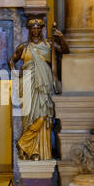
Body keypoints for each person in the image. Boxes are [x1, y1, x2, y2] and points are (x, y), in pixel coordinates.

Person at [9, 17, 68, 161]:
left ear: (41, 29)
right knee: (29, 116)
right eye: (33, 28)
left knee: (43, 115)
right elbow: (11, 60)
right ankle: (32, 150)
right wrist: (15, 72)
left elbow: (65, 51)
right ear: (29, 30)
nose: (36, 30)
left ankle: (23, 143)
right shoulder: (24, 47)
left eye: (38, 28)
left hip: (45, 84)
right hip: (28, 83)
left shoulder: (49, 45)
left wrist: (61, 38)